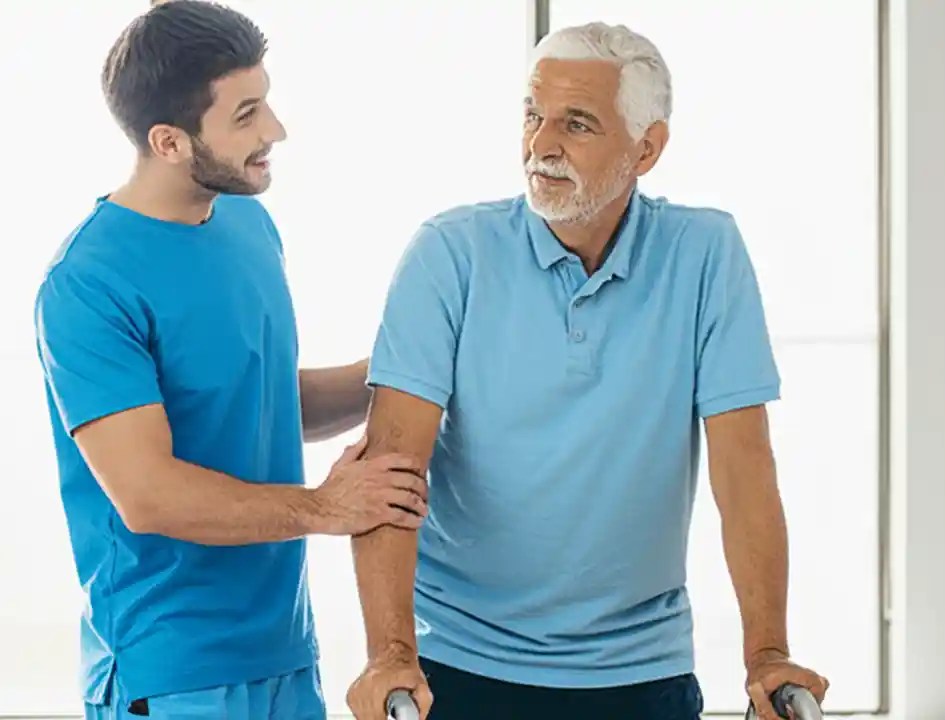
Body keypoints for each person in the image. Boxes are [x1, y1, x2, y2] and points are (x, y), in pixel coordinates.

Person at [345, 21, 830, 720]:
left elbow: (745, 473)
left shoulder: (706, 255)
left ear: (647, 147)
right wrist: (389, 652)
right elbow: (391, 475)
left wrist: (766, 654)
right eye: (533, 116)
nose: (541, 145)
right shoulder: (450, 254)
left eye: (576, 124)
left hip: (641, 668)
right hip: (459, 659)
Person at [33, 3, 428, 719]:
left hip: (282, 649)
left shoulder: (247, 221)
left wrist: (408, 373)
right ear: (170, 141)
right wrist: (326, 508)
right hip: (173, 670)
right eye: (245, 114)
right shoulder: (87, 283)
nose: (274, 129)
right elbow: (147, 493)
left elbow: (262, 402)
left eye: (267, 100)